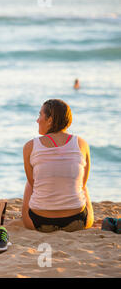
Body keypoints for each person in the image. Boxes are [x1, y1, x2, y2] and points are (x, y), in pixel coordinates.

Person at [22, 99, 94, 232]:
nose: (37, 120)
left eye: (40, 115)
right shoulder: (82, 144)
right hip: (78, 221)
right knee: (81, 184)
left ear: (50, 120)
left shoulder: (29, 146)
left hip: (38, 222)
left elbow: (33, 183)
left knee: (31, 182)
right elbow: (83, 184)